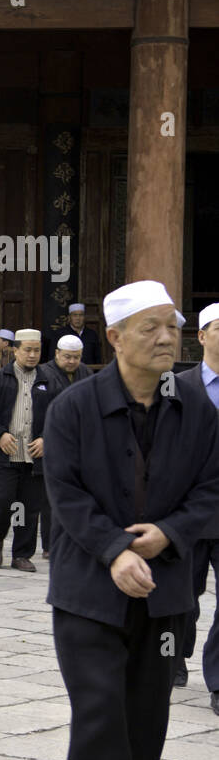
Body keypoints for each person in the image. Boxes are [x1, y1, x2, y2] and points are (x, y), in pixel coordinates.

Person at [44, 280, 219, 760]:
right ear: (115, 338)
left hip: (165, 588)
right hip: (88, 589)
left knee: (147, 714)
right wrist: (115, 550)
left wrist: (170, 532)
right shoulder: (74, 406)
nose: (166, 337)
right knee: (99, 709)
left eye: (172, 325)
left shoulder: (196, 407)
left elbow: (213, 489)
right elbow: (64, 493)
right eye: (151, 327)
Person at [0, 328, 50, 571]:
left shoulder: (48, 381)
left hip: (33, 456)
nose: (32, 355)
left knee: (29, 507)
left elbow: (61, 416)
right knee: (2, 501)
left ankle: (21, 554)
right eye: (27, 350)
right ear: (15, 350)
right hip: (4, 454)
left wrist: (46, 439)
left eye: (36, 350)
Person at [177, 301, 219, 707]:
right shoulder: (179, 387)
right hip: (188, 515)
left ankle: (218, 680)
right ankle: (175, 656)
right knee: (182, 596)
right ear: (202, 336)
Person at [37, 334, 95, 558]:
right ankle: (50, 546)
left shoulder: (86, 373)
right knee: (49, 499)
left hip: (80, 444)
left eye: (76, 357)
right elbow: (37, 411)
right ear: (57, 354)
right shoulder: (43, 374)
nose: (72, 361)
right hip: (51, 442)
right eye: (67, 357)